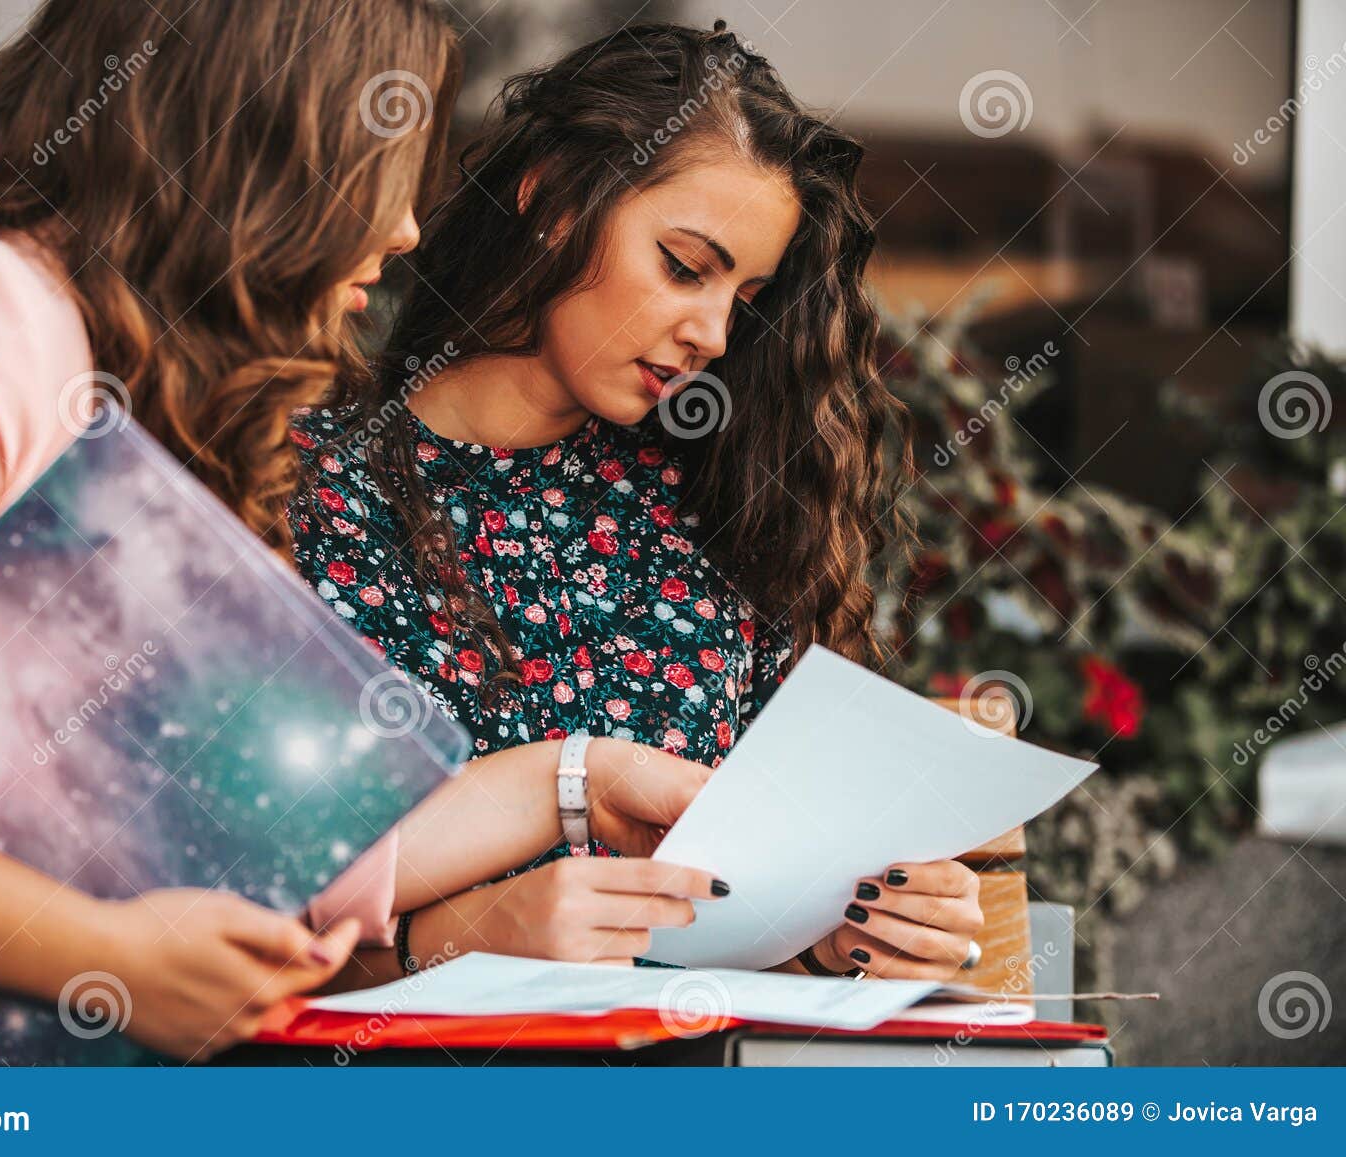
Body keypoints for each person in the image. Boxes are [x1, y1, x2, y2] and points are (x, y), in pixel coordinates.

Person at [0, 0, 715, 1066]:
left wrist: (573, 780)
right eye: (386, 165)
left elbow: (255, 833)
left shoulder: (168, 387)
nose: (403, 231)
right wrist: (100, 953)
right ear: (268, 142)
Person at [287, 20, 984, 984]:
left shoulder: (715, 508)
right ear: (554, 203)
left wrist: (845, 932)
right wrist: (460, 936)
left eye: (744, 299)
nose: (709, 333)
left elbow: (738, 904)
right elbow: (227, 923)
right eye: (684, 266)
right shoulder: (301, 492)